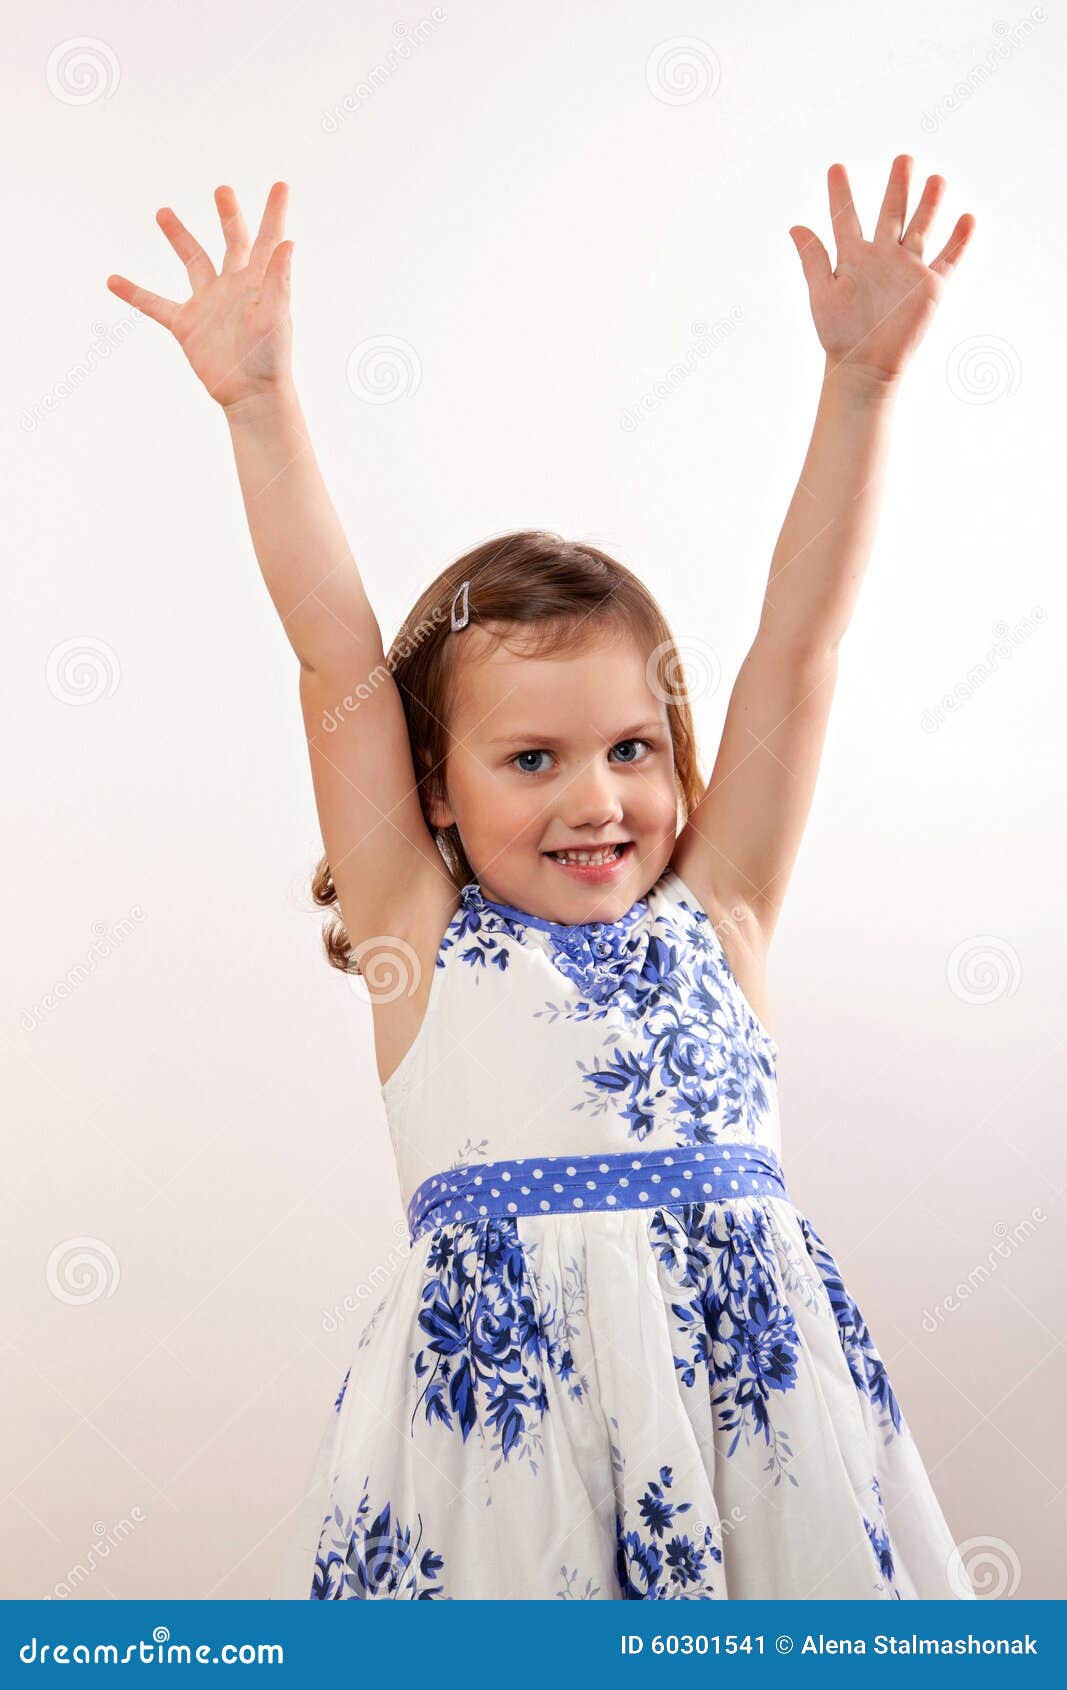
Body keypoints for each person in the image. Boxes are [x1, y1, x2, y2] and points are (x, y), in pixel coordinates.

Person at [107, 156, 977, 1600]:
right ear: (434, 788)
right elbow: (334, 652)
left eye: (634, 747)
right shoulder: (419, 938)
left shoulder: (721, 915)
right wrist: (260, 406)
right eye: (532, 760)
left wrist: (860, 389)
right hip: (504, 1482)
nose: (597, 799)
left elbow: (801, 643)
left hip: (755, 1461)